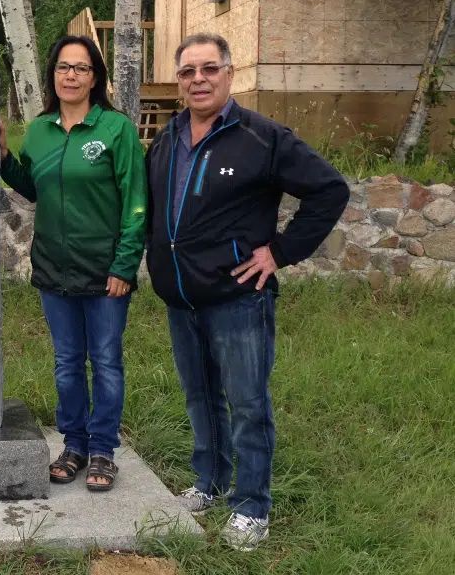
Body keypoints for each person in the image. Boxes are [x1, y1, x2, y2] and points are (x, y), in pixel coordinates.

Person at [145, 32, 349, 549]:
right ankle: (209, 484)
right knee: (199, 398)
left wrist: (279, 252)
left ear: (229, 74)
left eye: (209, 69)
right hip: (182, 299)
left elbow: (330, 190)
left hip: (238, 299)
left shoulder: (262, 137)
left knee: (248, 403)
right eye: (188, 71)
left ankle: (252, 505)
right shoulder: (167, 138)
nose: (198, 79)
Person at [0, 35, 147, 492]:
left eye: (81, 68)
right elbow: (34, 186)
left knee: (104, 361)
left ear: (95, 77)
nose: (70, 75)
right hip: (54, 268)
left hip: (105, 272)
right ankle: (75, 445)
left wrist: (124, 266)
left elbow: (136, 202)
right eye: (63, 67)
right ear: (53, 75)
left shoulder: (115, 129)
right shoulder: (40, 129)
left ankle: (103, 450)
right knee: (66, 363)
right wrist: (4, 155)